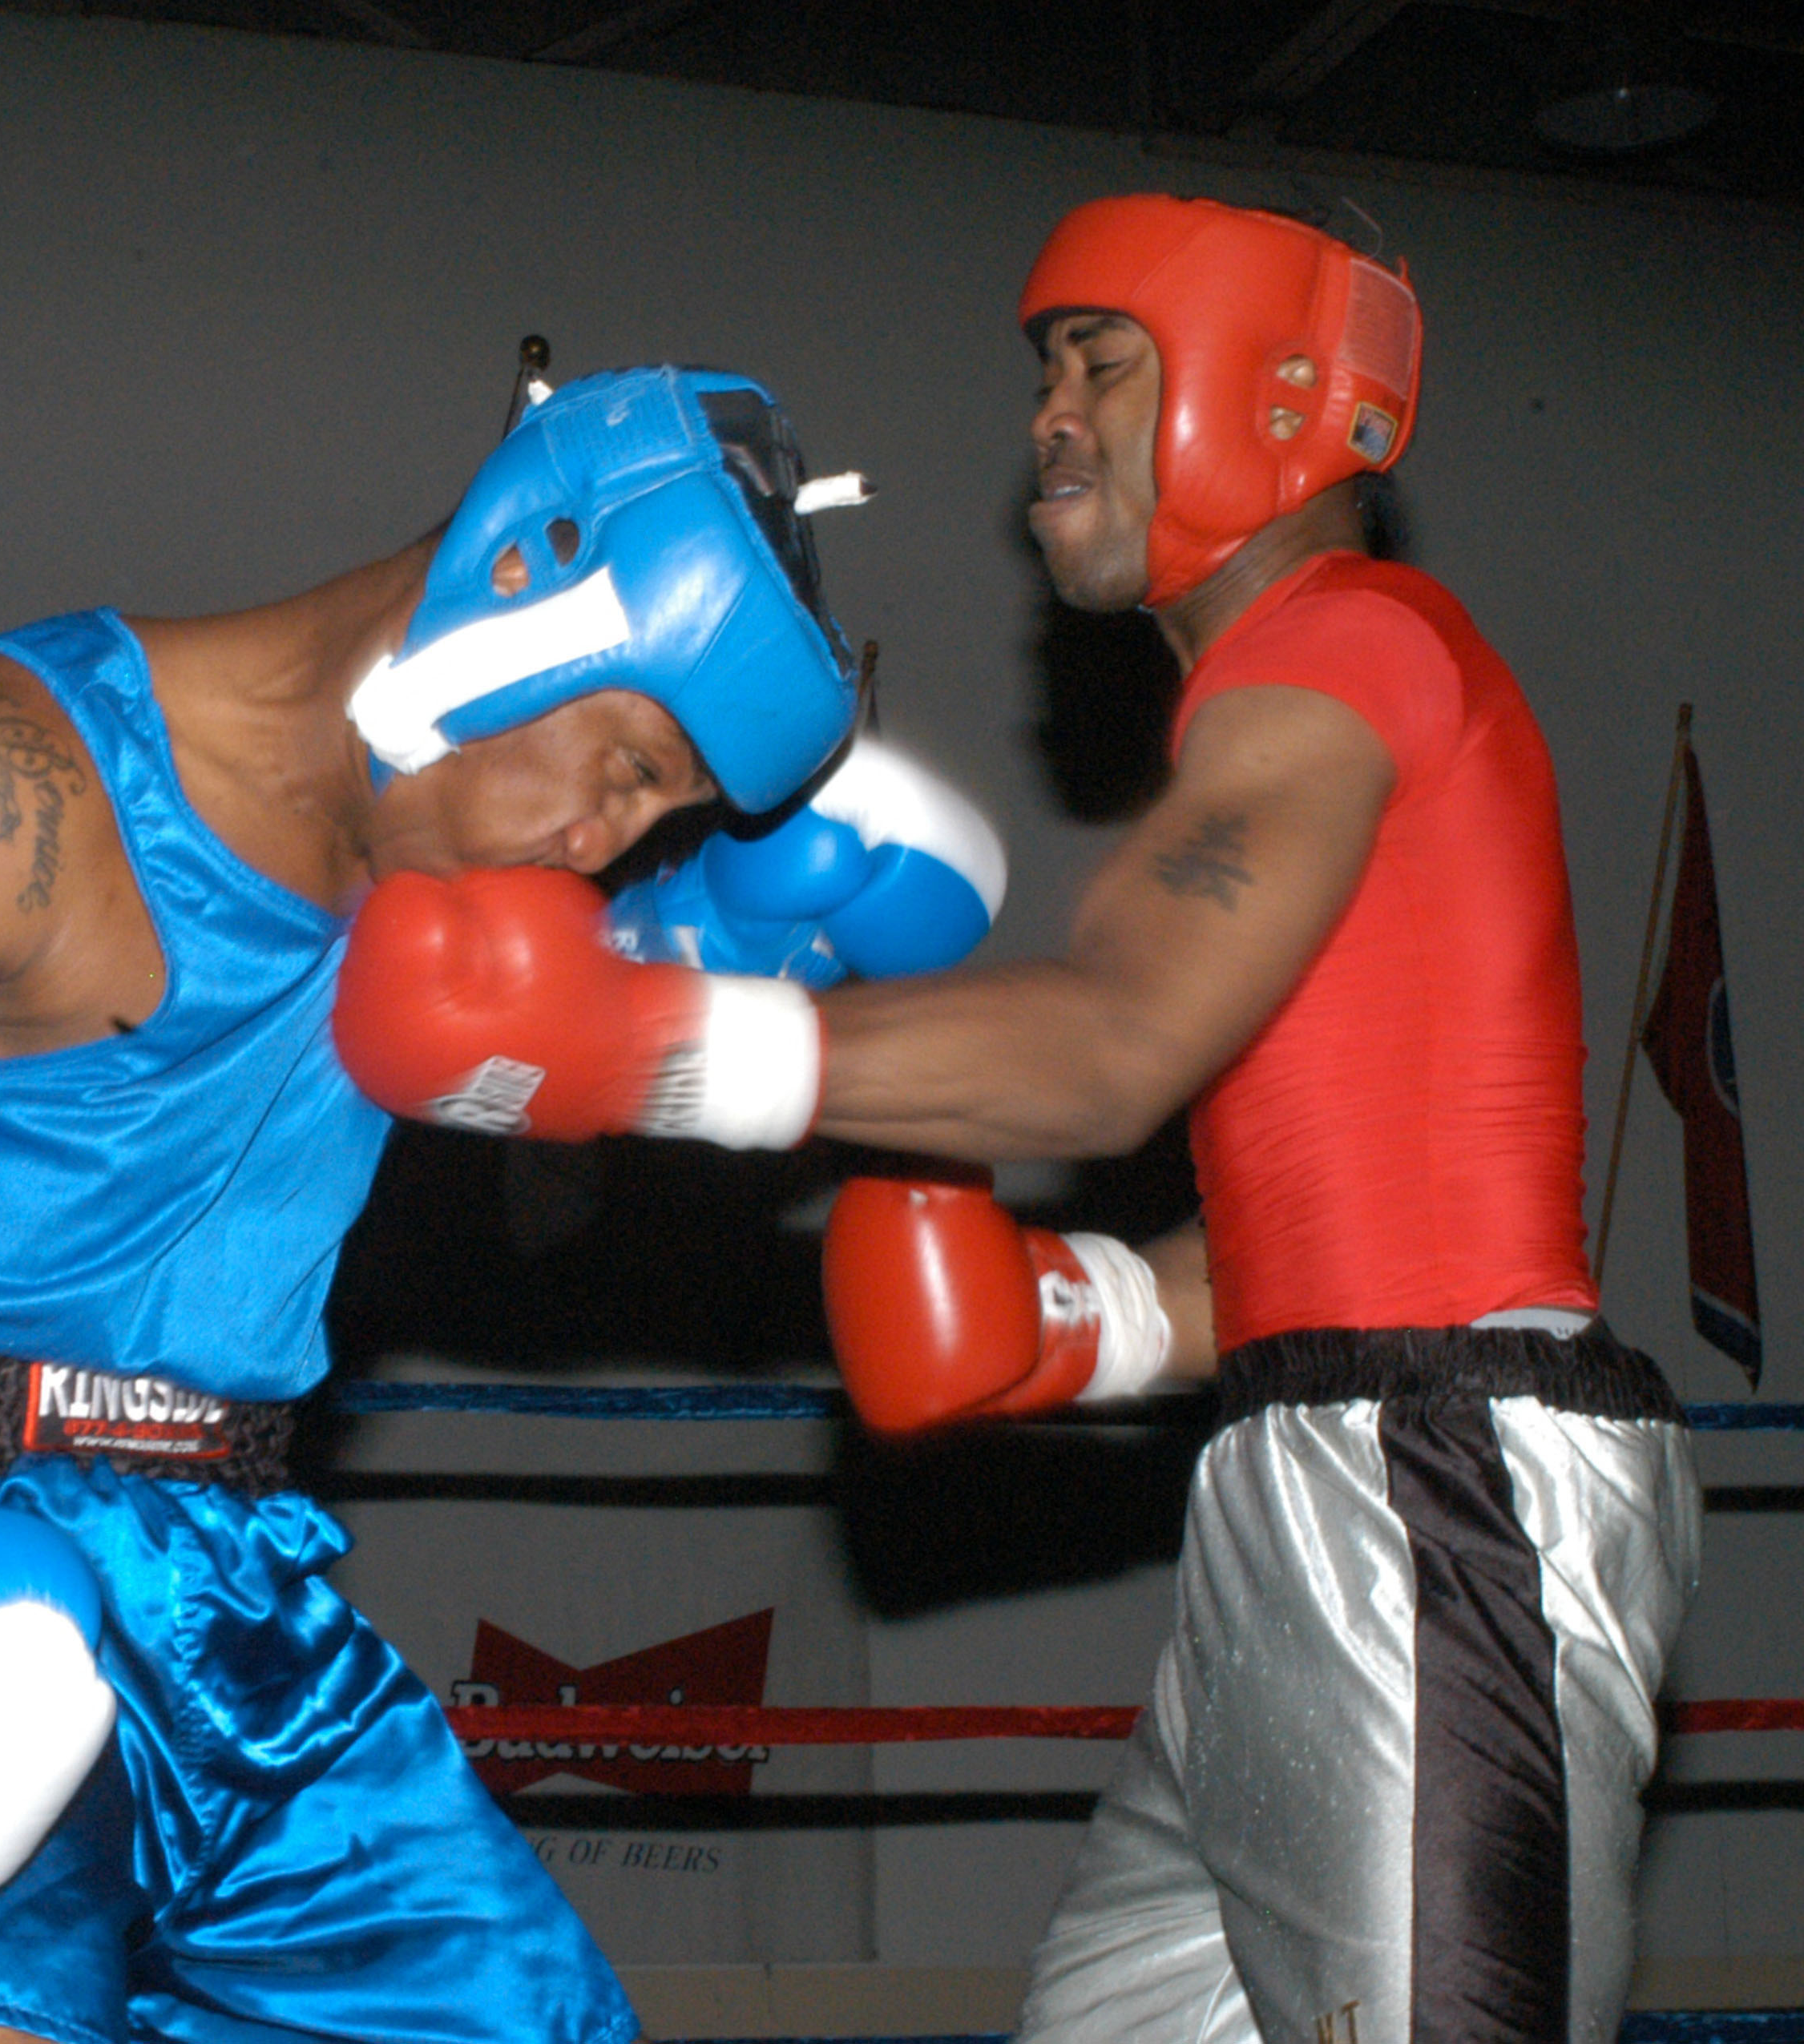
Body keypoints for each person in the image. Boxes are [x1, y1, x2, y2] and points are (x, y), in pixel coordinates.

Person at [332, 200, 1703, 2043]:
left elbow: (1119, 1041)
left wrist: (660, 1043)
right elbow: (1361, 1202)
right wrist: (1093, 1317)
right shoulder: (1297, 692)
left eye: (1105, 362)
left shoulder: (1344, 653)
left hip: (1442, 1502)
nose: (1051, 413)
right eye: (1046, 367)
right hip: (1313, 1486)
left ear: (1278, 395)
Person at [0, 362, 1007, 2044]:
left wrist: (713, 968)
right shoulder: (8, 788)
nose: (604, 840)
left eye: (663, 811)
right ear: (517, 583)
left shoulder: (447, 919)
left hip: (241, 1591)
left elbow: (547, 1197)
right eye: (623, 762)